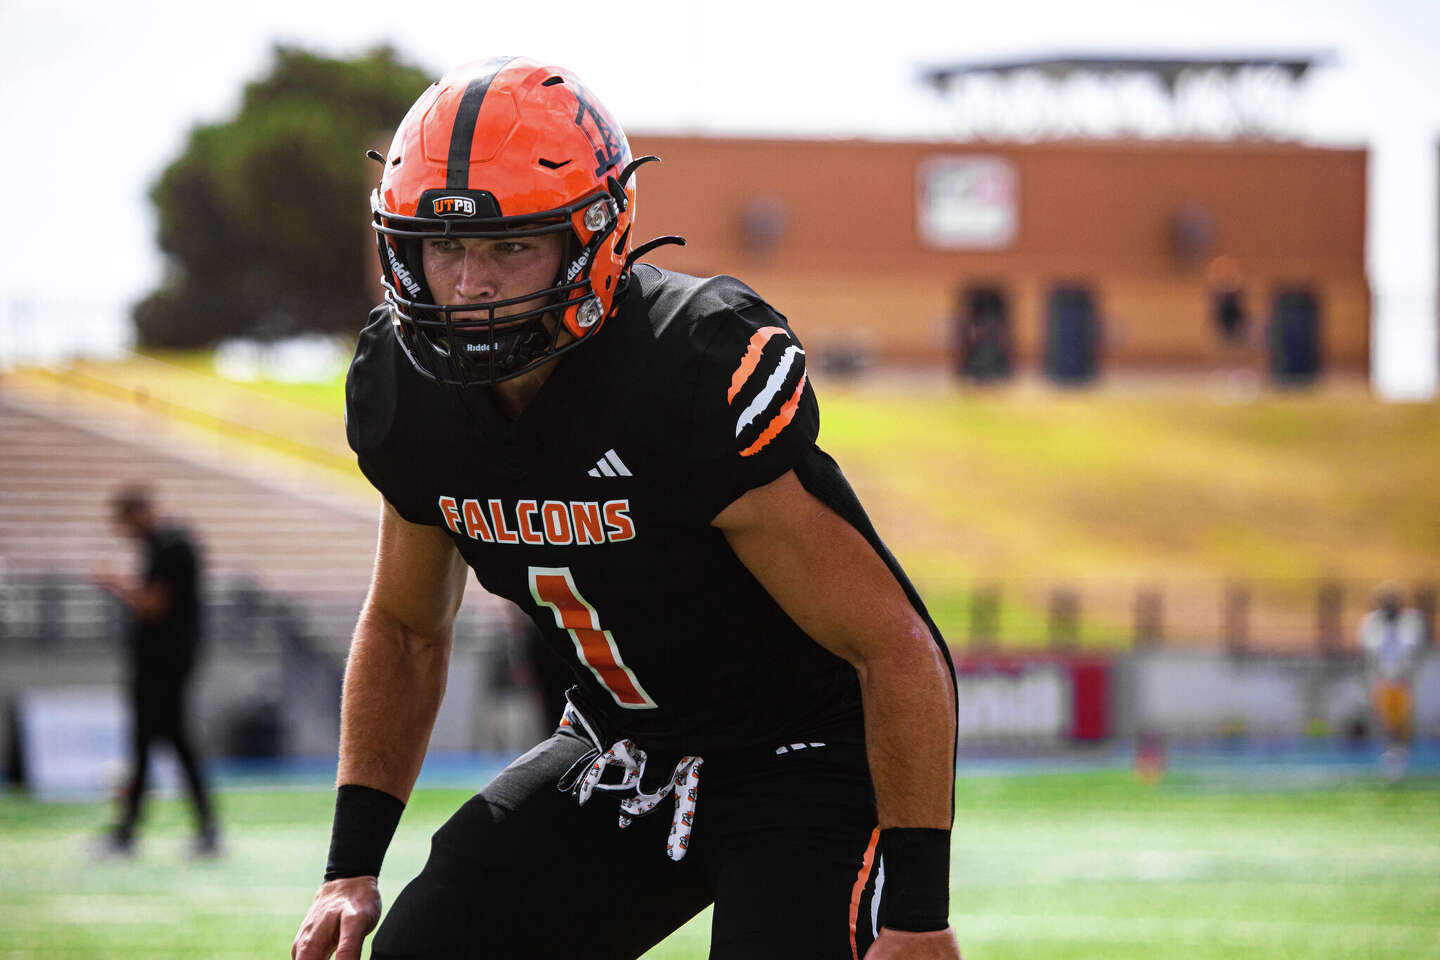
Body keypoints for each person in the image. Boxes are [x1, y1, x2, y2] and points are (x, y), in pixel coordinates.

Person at [292, 56, 961, 960]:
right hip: (622, 749)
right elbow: (408, 631)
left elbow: (894, 646)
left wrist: (919, 915)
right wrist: (350, 867)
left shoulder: (687, 366)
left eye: (509, 247)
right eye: (443, 248)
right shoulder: (408, 391)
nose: (470, 284)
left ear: (595, 237)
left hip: (803, 758)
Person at [93, 485, 218, 855]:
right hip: (166, 663)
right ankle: (200, 828)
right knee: (168, 742)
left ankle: (132, 831)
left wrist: (116, 584)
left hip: (162, 665)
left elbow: (153, 605)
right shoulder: (166, 545)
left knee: (151, 742)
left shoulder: (170, 546)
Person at [1359, 582, 1426, 781]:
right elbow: (1370, 651)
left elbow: (1414, 648)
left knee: (1403, 720)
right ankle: (1388, 759)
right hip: (1382, 679)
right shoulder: (1372, 623)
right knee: (1384, 720)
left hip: (1404, 680)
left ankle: (1402, 760)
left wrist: (1404, 672)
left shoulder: (1411, 621)